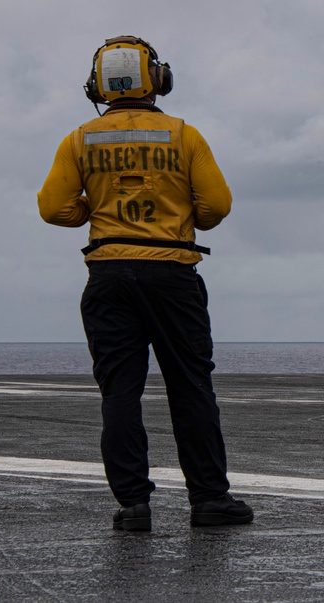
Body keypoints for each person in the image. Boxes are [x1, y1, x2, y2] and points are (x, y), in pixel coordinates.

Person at [38, 36, 253, 531]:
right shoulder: (183, 135)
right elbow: (216, 207)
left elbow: (54, 209)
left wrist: (96, 213)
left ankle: (133, 505)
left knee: (119, 392)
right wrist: (179, 216)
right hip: (172, 275)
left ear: (97, 85)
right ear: (157, 79)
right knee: (191, 387)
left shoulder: (79, 139)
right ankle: (208, 500)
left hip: (109, 276)